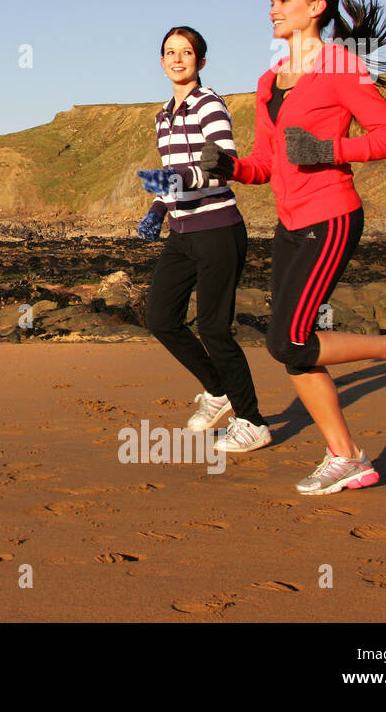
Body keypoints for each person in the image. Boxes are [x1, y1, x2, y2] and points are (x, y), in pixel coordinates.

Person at [201, 0, 386, 495]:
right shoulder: (269, 81)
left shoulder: (340, 67)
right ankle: (347, 458)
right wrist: (230, 167)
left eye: (283, 0)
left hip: (331, 216)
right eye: (271, 0)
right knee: (293, 347)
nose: (272, 9)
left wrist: (329, 150)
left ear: (316, 8)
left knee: (288, 340)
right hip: (290, 224)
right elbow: (266, 164)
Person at [136, 26, 269, 452]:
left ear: (201, 61)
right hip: (181, 233)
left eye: (186, 52)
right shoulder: (162, 116)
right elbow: (170, 176)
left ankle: (253, 421)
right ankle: (218, 389)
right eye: (170, 52)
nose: (178, 59)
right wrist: (158, 210)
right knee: (161, 319)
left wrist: (178, 177)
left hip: (217, 230)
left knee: (214, 329)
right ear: (161, 62)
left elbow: (221, 164)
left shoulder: (208, 104)